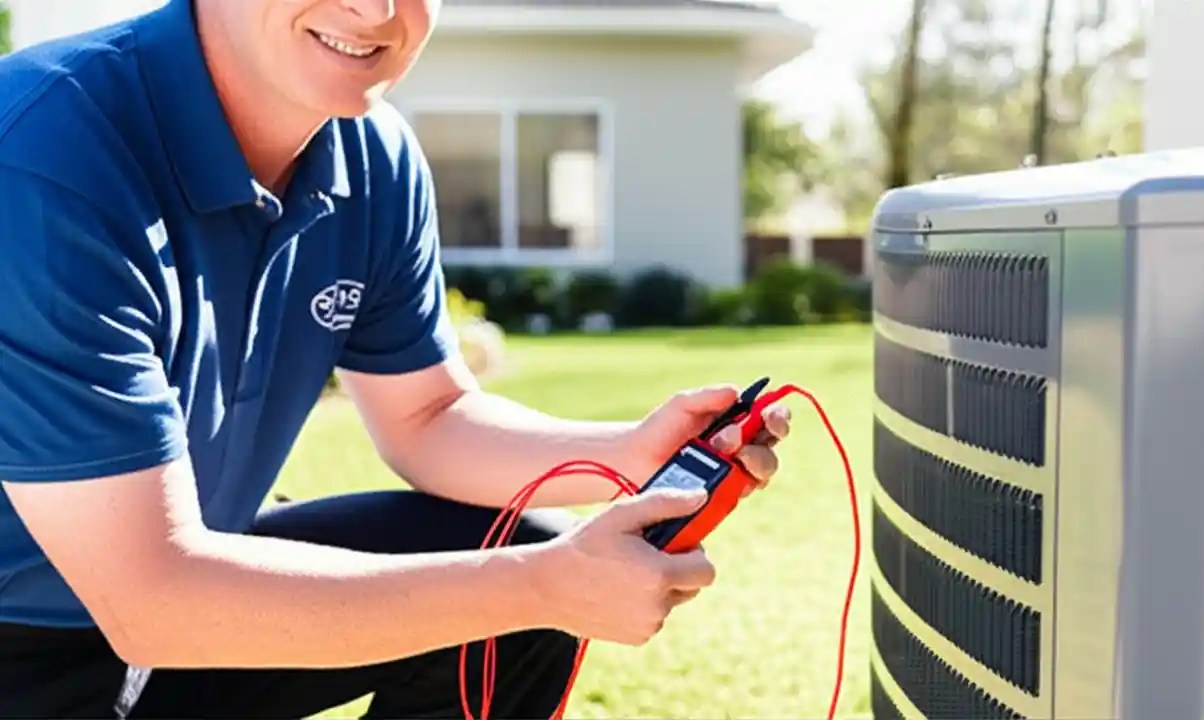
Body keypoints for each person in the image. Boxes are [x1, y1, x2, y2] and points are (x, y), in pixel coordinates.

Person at [0, 0, 793, 717]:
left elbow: (429, 416)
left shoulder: (371, 156)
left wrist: (633, 454)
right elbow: (155, 599)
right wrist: (545, 585)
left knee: (508, 559)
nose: (375, 9)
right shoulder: (45, 157)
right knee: (519, 585)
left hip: (178, 608)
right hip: (42, 645)